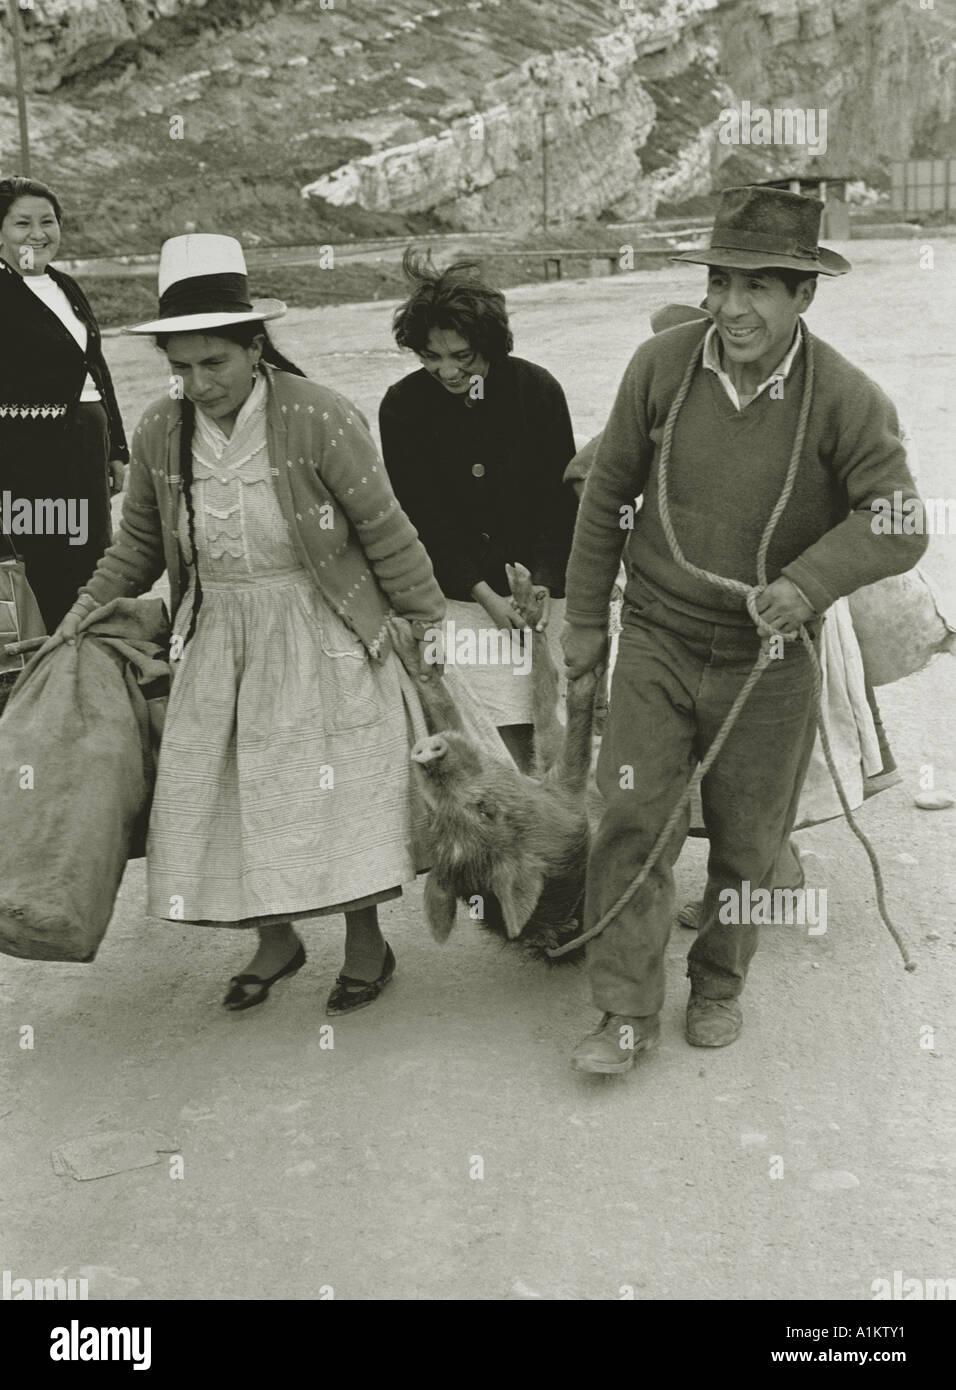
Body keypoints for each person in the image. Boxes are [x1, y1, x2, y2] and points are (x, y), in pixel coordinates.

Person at [562, 186, 928, 1074]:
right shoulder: (660, 366)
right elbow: (607, 490)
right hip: (656, 636)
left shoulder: (845, 397)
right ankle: (624, 1009)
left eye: (758, 287)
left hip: (771, 658)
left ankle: (719, 983)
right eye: (721, 282)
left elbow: (900, 522)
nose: (730, 307)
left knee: (749, 841)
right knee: (631, 821)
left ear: (805, 295)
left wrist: (806, 584)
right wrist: (583, 622)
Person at [49, 234, 445, 1017]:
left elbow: (386, 531)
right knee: (239, 790)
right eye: (181, 368)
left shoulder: (319, 416)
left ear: (255, 346)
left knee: (335, 793)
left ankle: (368, 942)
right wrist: (79, 616)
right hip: (221, 633)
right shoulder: (165, 430)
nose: (197, 384)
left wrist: (428, 624)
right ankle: (277, 937)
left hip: (320, 625)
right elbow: (136, 545)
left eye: (214, 364)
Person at [379, 250, 579, 772]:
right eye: (430, 356)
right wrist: (486, 596)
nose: (446, 370)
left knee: (549, 723)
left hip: (540, 593)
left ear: (490, 344)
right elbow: (421, 520)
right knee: (484, 731)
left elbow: (562, 503)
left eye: (461, 356)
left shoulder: (537, 391)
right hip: (459, 599)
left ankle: (555, 832)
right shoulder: (403, 407)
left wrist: (540, 585)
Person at [0, 175, 128, 630]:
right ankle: (52, 665)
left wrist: (117, 450)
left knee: (94, 557)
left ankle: (88, 658)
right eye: (22, 223)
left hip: (87, 441)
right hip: (27, 454)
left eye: (48, 221)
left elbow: (97, 368)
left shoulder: (66, 286)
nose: (38, 233)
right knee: (44, 558)